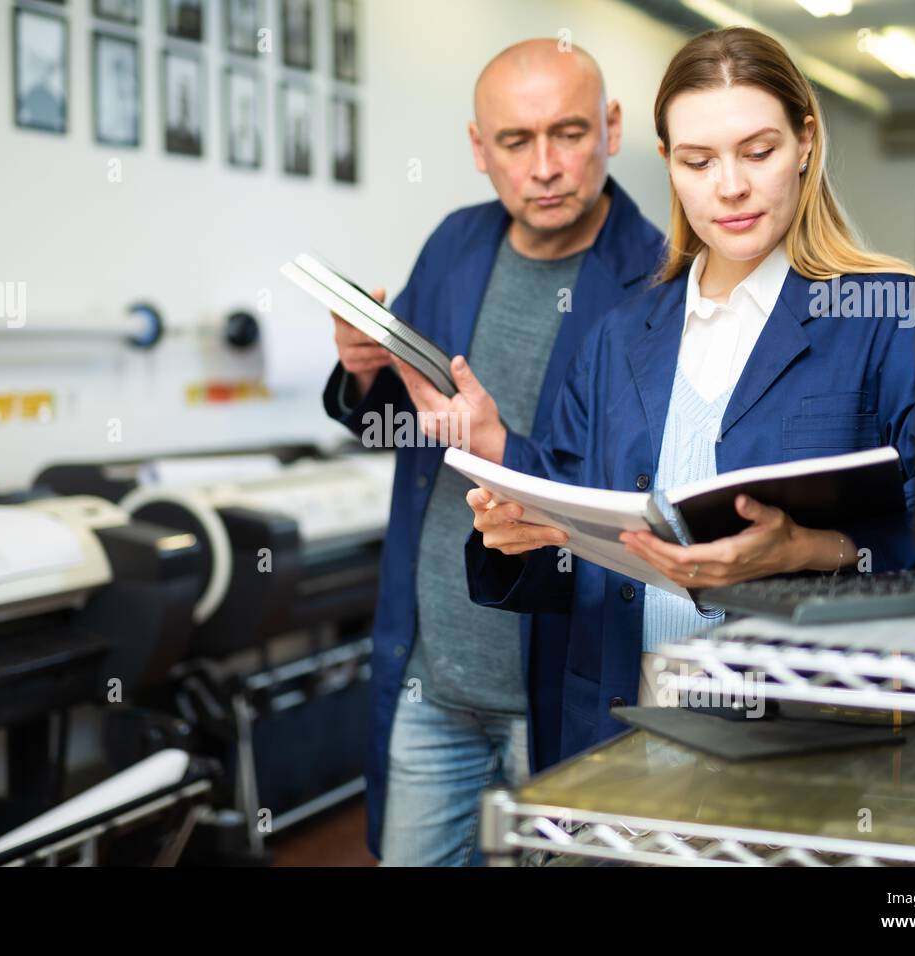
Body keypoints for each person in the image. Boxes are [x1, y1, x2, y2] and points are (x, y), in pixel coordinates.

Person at [465, 27, 915, 760]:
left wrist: (817, 550)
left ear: (806, 141)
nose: (730, 186)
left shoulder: (890, 316)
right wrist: (515, 539)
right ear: (667, 163)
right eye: (698, 160)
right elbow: (582, 548)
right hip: (620, 743)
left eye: (759, 152)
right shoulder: (619, 335)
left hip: (815, 752)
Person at [322, 39, 663, 865]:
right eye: (515, 141)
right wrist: (361, 372)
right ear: (480, 149)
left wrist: (501, 444)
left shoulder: (660, 275)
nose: (544, 166)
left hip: (561, 691)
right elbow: (391, 432)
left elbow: (641, 492)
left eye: (568, 133)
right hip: (431, 678)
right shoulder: (454, 246)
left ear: (611, 129)